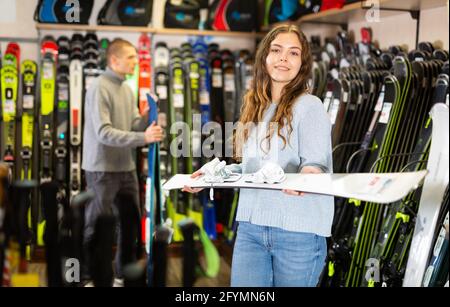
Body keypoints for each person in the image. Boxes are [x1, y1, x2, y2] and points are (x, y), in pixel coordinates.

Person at [183, 24, 333, 287]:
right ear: (265, 57)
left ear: (303, 63)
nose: (283, 58)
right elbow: (253, 171)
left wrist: (307, 178)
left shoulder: (311, 106)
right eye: (277, 50)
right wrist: (211, 176)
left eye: (293, 53)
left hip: (297, 232)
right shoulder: (255, 107)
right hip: (251, 228)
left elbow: (315, 163)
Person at [82, 38, 164, 285]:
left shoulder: (127, 88)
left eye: (136, 58)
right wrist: (143, 136)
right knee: (96, 226)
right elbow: (103, 132)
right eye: (130, 57)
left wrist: (150, 115)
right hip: (101, 169)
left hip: (125, 168)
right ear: (114, 60)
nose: (135, 62)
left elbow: (132, 124)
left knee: (130, 225)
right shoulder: (99, 86)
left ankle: (121, 276)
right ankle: (87, 278)